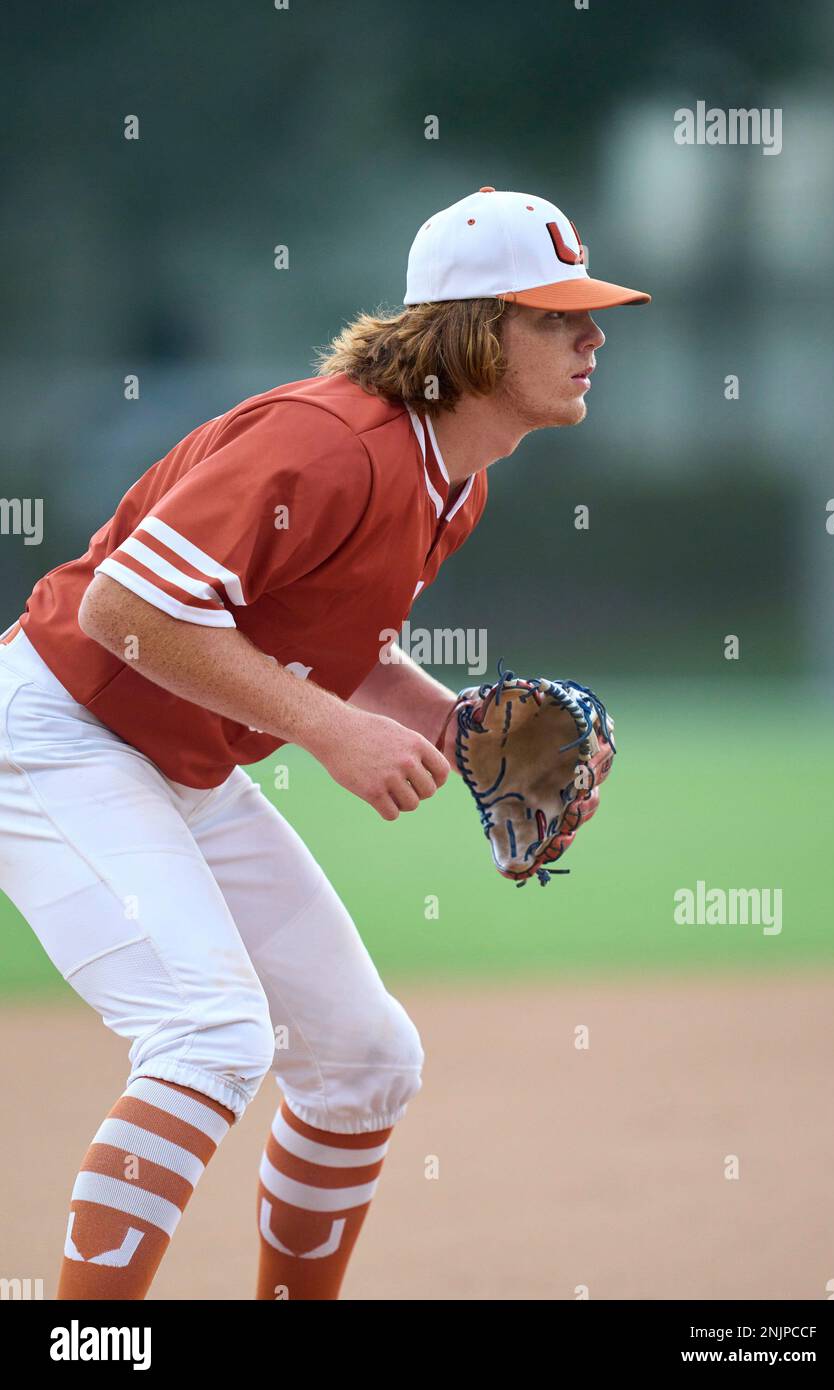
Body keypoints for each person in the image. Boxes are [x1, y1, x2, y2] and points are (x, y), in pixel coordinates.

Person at [0, 186, 649, 1300]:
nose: (592, 335)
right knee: (209, 1036)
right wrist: (329, 731)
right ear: (474, 331)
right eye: (555, 315)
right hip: (60, 733)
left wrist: (448, 725)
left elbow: (316, 635)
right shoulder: (329, 443)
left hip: (180, 763)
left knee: (364, 1062)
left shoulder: (454, 481)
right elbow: (123, 611)